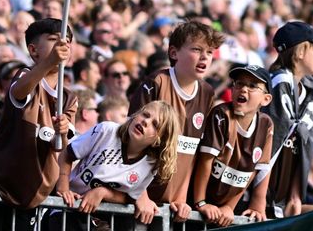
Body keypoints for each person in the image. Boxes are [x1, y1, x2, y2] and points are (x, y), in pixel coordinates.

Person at [0, 17, 77, 231]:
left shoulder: (68, 98)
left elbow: (61, 148)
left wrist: (63, 131)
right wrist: (48, 63)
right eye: (54, 39)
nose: (63, 45)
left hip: (32, 192)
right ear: (33, 50)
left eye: (67, 41)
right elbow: (20, 91)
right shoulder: (25, 76)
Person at [130, 20, 222, 220]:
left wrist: (181, 197)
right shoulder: (156, 83)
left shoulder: (207, 92)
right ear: (173, 53)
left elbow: (191, 150)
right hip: (138, 198)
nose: (205, 56)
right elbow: (130, 143)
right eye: (197, 49)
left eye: (209, 52)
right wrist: (140, 194)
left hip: (171, 205)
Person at [54, 101, 180, 231]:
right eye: (145, 115)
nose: (145, 122)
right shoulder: (106, 130)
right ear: (135, 115)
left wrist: (102, 193)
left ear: (159, 140)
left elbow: (130, 197)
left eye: (155, 125)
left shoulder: (151, 165)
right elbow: (67, 154)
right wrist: (64, 189)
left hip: (102, 218)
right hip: (69, 207)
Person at [264, 21, 313, 218]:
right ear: (301, 51)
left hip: (283, 194)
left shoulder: (310, 88)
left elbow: (305, 144)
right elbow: (272, 143)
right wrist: (259, 198)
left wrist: (295, 195)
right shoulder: (280, 82)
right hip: (262, 193)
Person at [192, 64, 274, 226]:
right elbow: (205, 162)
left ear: (266, 99)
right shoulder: (221, 115)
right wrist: (200, 202)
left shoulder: (266, 125)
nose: (243, 89)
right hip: (195, 200)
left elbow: (250, 173)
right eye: (239, 83)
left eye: (252, 86)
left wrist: (229, 206)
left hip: (224, 204)